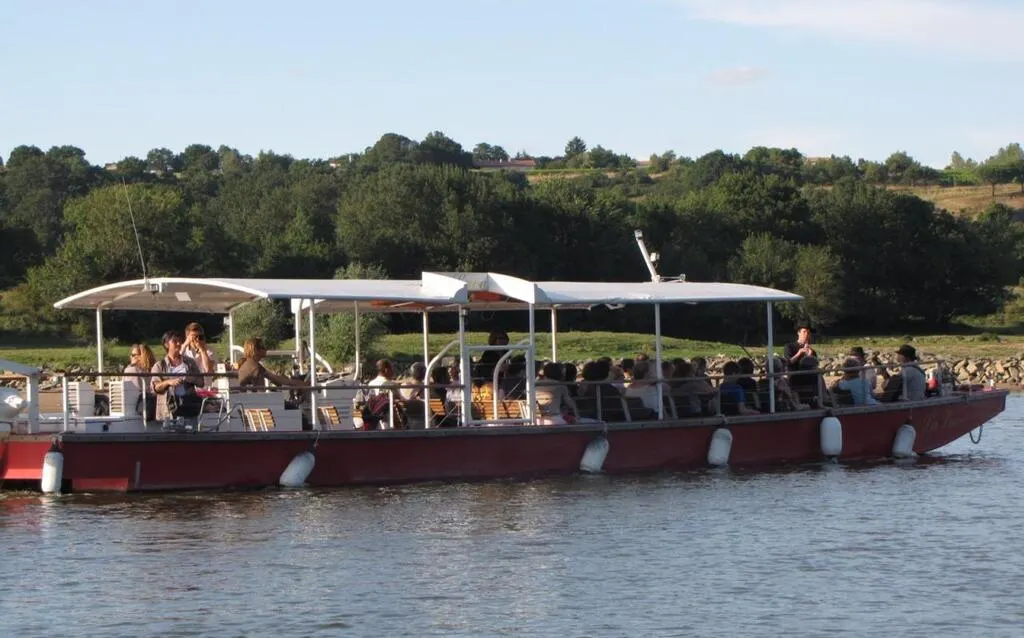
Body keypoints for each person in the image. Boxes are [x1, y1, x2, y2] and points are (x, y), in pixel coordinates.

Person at [151, 330, 204, 422]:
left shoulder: (190, 362)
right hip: (169, 411)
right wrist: (168, 382)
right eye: (175, 341)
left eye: (180, 341)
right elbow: (155, 388)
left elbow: (201, 382)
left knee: (192, 430)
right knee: (170, 431)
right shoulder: (159, 365)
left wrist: (190, 378)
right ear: (166, 345)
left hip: (189, 408)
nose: (179, 344)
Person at [236, 338, 301, 389]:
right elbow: (261, 393)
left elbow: (275, 378)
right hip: (254, 401)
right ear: (255, 350)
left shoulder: (251, 364)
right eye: (262, 347)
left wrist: (296, 382)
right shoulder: (255, 368)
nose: (266, 349)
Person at [124, 343, 156, 420]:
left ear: (142, 356)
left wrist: (130, 367)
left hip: (137, 408)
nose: (131, 357)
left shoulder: (132, 370)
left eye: (133, 355)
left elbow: (132, 390)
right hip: (153, 406)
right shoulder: (154, 368)